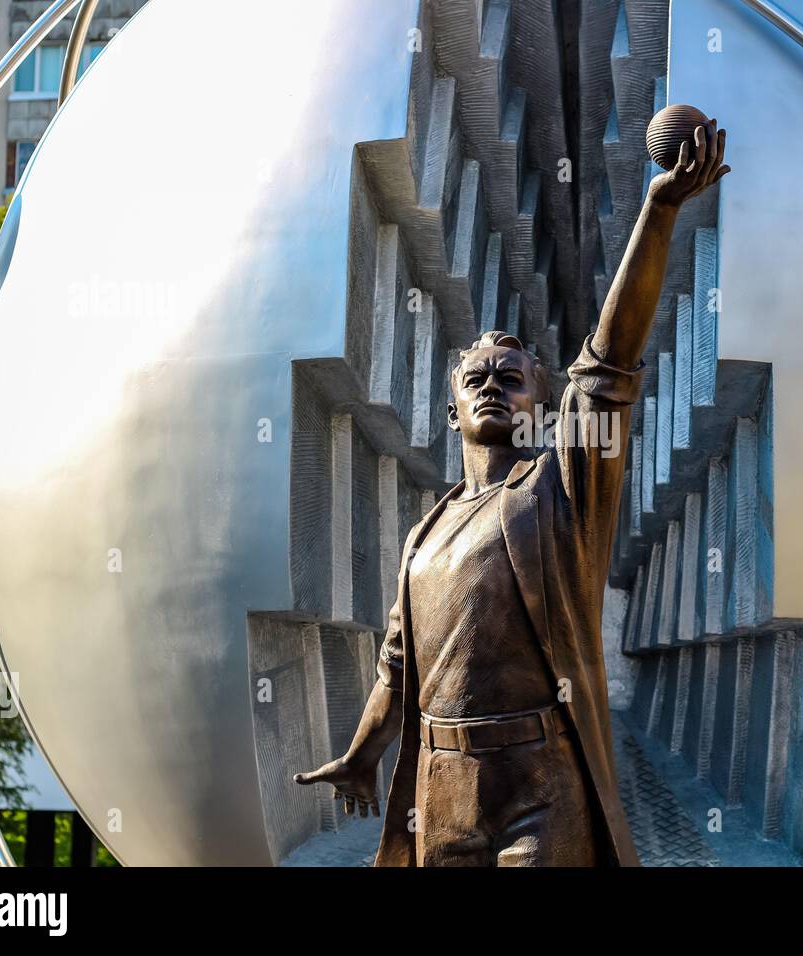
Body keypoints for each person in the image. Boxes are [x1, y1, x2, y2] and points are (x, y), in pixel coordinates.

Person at [295, 119, 730, 866]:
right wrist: (365, 754)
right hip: (441, 790)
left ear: (543, 402)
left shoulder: (561, 490)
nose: (492, 386)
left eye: (512, 377)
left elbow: (610, 360)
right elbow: (399, 667)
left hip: (542, 782)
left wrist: (659, 213)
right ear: (453, 410)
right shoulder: (424, 536)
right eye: (475, 380)